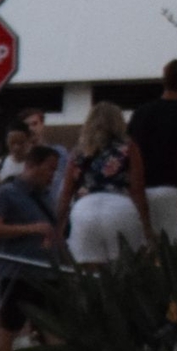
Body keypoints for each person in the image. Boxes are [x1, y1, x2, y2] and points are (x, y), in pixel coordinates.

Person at [0, 141, 63, 351]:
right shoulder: (6, 193)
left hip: (46, 271)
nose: (52, 175)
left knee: (52, 327)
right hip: (17, 272)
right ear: (32, 166)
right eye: (49, 169)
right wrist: (31, 229)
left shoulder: (46, 197)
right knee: (9, 326)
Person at [57, 101, 145, 265]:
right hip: (120, 207)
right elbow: (137, 189)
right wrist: (147, 228)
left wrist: (58, 228)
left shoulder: (78, 151)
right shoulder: (128, 148)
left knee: (89, 277)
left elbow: (66, 192)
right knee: (123, 272)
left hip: (84, 210)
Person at [128, 59, 177, 240]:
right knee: (172, 253)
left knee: (141, 249)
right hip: (172, 189)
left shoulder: (141, 113)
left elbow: (129, 151)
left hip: (141, 191)